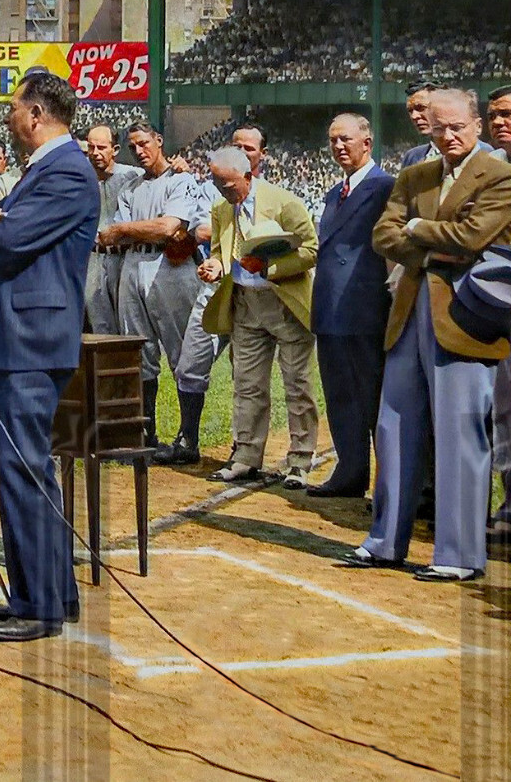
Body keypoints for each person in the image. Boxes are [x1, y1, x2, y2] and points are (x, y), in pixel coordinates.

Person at [342, 89, 511, 581]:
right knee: (394, 427)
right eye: (439, 128)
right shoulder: (414, 175)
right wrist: (434, 247)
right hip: (409, 311)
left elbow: (472, 237)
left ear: (477, 125)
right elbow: (384, 236)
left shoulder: (499, 175)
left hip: (465, 317)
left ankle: (458, 555)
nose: (448, 136)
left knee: (461, 434)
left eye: (457, 126)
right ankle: (384, 542)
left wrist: (416, 227)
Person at [0, 71, 98, 641]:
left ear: (37, 113)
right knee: (27, 468)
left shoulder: (66, 170)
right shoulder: (44, 170)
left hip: (29, 340)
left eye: (14, 107)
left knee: (23, 470)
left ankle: (38, 605)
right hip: (21, 337)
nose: (8, 116)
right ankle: (50, 594)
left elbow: (7, 241)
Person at [196, 146, 319, 487]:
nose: (224, 192)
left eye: (228, 185)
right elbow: (221, 251)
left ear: (248, 176)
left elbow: (311, 249)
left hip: (284, 302)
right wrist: (215, 266)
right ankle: (246, 457)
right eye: (217, 185)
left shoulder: (284, 202)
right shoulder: (222, 209)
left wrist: (268, 267)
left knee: (297, 384)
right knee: (247, 385)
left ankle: (300, 460)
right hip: (245, 303)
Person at [101, 122, 200, 453]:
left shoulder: (181, 179)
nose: (139, 151)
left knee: (183, 353)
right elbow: (117, 236)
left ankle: (188, 439)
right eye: (133, 147)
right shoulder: (131, 187)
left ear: (159, 141)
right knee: (138, 350)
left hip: (170, 264)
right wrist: (134, 230)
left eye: (144, 143)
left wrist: (126, 229)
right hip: (133, 264)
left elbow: (168, 228)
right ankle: (145, 434)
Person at [309, 113, 394, 498]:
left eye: (345, 139)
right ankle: (350, 472)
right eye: (333, 140)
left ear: (367, 142)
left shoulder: (384, 187)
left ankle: (388, 485)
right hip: (330, 310)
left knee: (374, 400)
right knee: (340, 396)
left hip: (365, 311)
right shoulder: (334, 193)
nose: (339, 146)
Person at [483, 84, 511, 545]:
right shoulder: (487, 171)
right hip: (500, 306)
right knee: (504, 410)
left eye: (508, 113)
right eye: (494, 116)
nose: (500, 122)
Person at [83, 124, 140, 335]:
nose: (95, 153)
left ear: (114, 149)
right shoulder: (82, 179)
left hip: (124, 256)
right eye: (91, 147)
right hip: (94, 257)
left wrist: (179, 167)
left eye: (101, 147)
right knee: (99, 321)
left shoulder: (133, 176)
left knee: (129, 320)